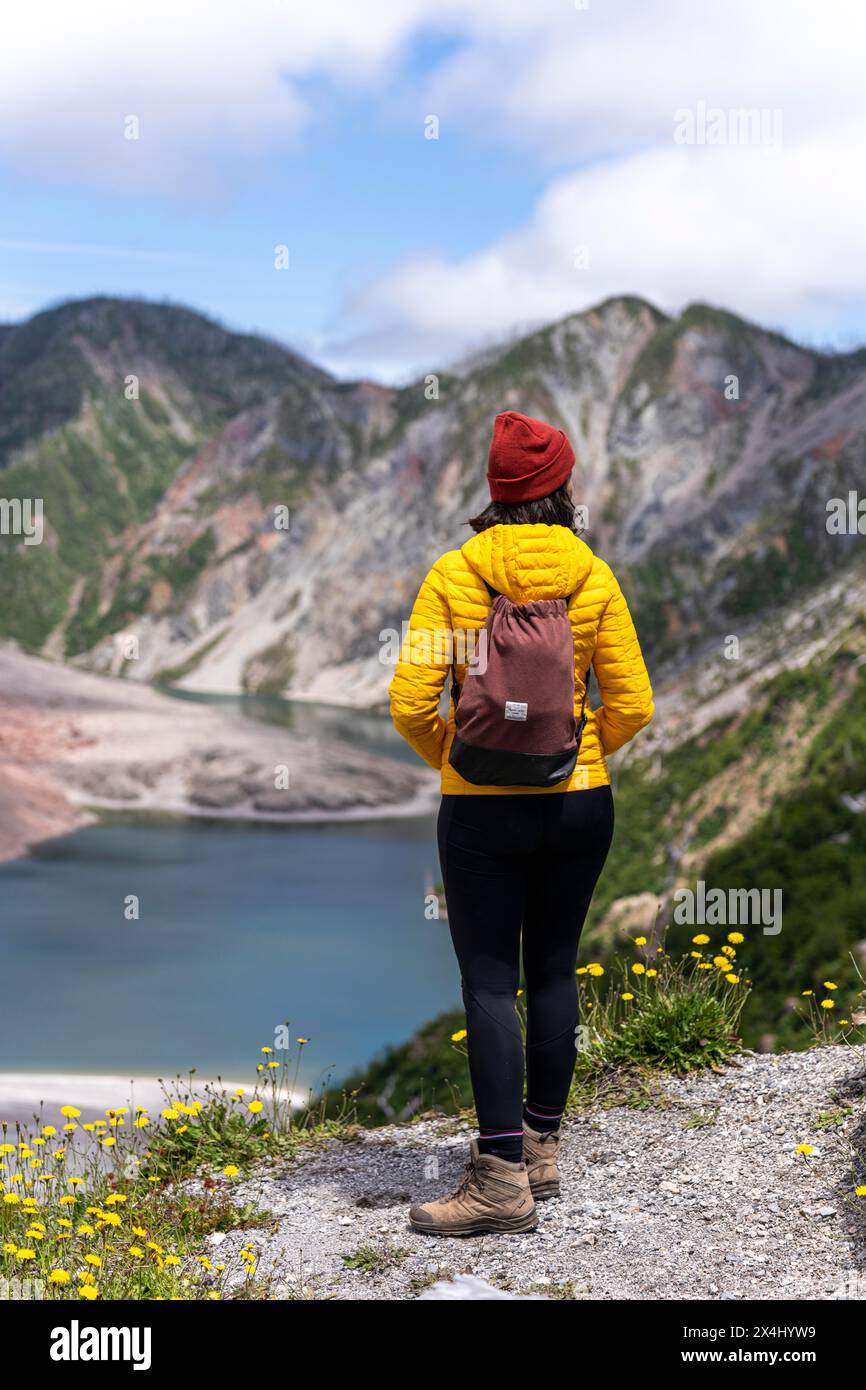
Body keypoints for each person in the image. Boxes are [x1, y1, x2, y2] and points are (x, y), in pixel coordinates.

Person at [389, 410, 653, 1236]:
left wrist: (461, 764)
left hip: (480, 813)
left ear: (495, 491)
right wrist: (575, 754)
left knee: (488, 979)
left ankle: (499, 1179)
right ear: (564, 489)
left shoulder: (455, 574)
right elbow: (634, 705)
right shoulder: (594, 577)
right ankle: (542, 1151)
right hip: (580, 804)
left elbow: (408, 703)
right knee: (553, 971)